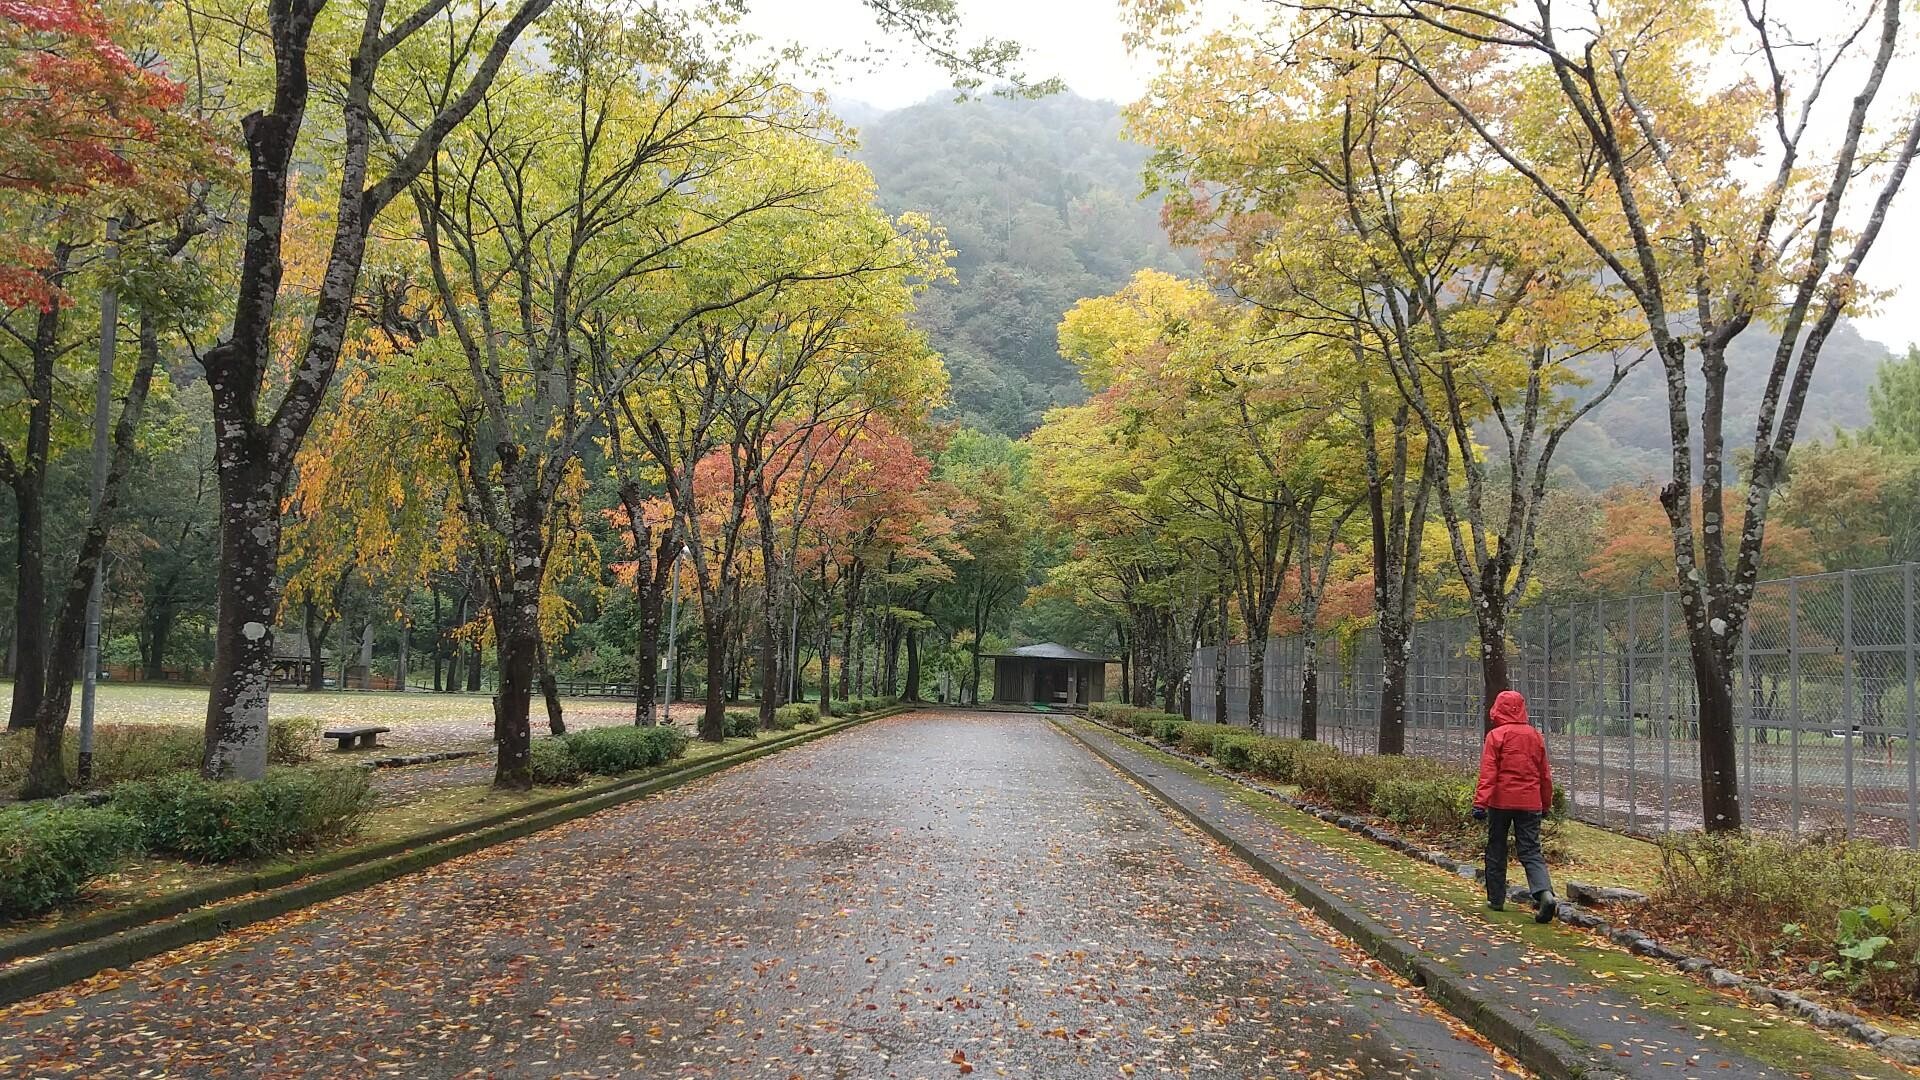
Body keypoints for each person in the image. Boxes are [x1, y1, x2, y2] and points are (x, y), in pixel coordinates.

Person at [1472, 689, 1557, 923]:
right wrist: (1545, 803)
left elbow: (1489, 772)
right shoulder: (1535, 736)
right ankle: (1544, 893)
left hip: (1501, 802)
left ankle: (1496, 898)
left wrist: (1480, 803)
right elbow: (1544, 774)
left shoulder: (1496, 736)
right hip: (1530, 802)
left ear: (1497, 709)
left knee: (1496, 847)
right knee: (1531, 850)